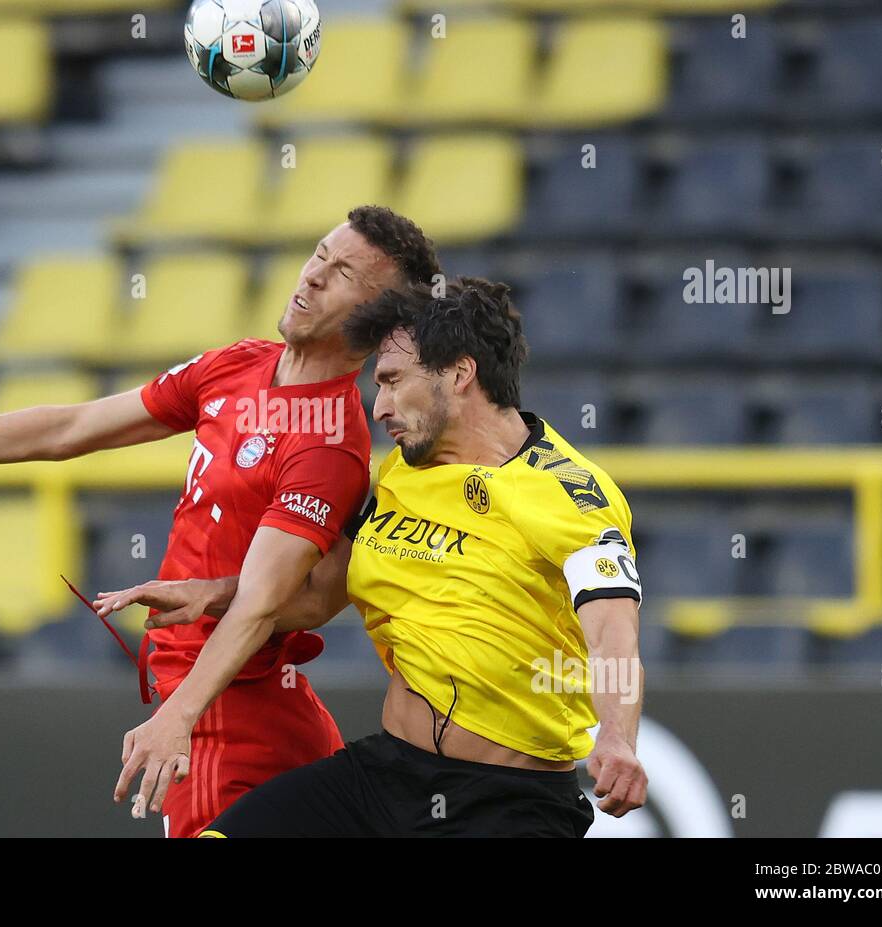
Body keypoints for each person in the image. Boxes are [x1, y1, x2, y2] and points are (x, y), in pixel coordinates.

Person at [0, 205, 443, 838]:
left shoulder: (327, 445)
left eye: (342, 274)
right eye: (318, 256)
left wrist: (179, 717)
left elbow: (262, 605)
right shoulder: (236, 365)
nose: (311, 275)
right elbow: (72, 426)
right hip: (248, 713)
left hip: (229, 725)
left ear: (373, 316)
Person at [96, 276, 648, 836]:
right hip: (384, 778)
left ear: (460, 373)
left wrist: (618, 738)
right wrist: (210, 593)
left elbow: (612, 633)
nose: (378, 404)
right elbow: (315, 598)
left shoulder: (569, 492)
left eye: (392, 380)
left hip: (507, 805)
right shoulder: (400, 474)